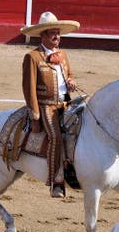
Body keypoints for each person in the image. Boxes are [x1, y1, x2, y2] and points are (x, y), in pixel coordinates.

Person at [20, 12, 80, 198]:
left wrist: (71, 81)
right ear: (43, 35)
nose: (57, 36)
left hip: (66, 104)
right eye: (53, 33)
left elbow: (70, 75)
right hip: (47, 106)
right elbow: (28, 88)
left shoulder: (62, 55)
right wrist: (35, 116)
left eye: (58, 33)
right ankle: (57, 182)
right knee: (56, 138)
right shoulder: (33, 57)